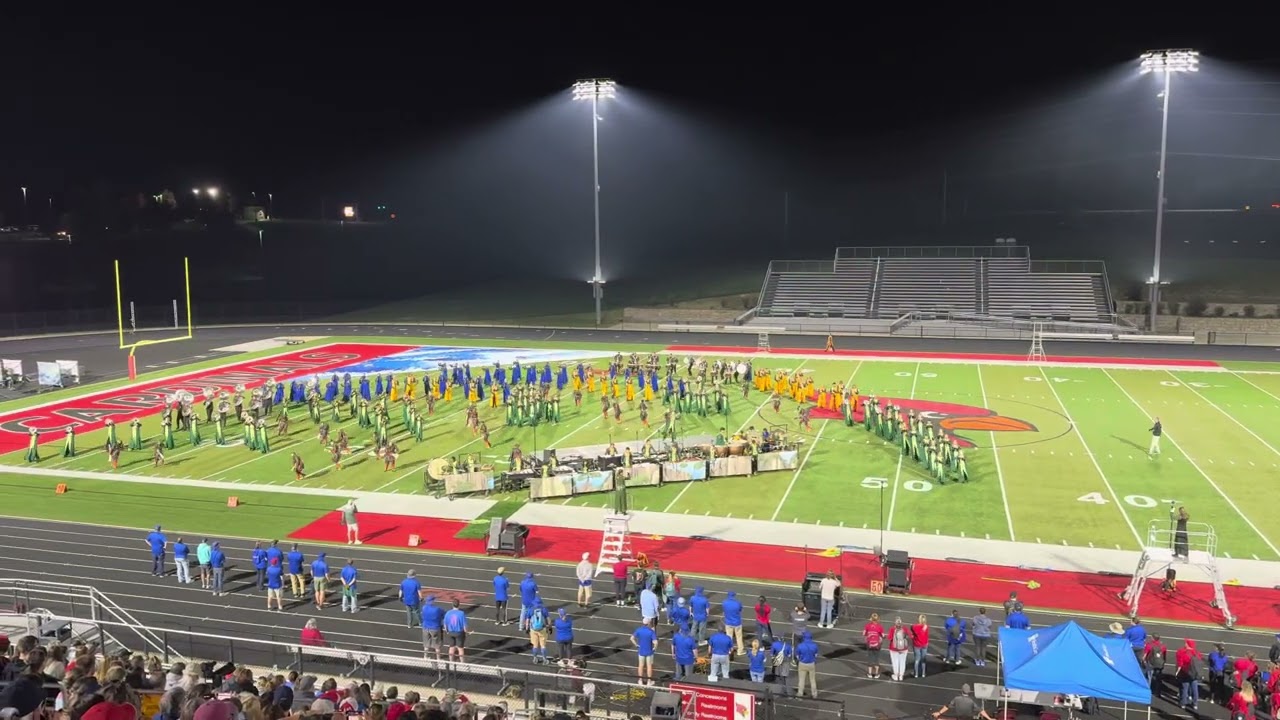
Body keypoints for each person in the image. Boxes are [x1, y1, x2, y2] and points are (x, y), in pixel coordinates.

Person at [932, 683, 996, 720]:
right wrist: (989, 718)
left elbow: (947, 706)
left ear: (961, 690)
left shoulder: (956, 699)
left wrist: (939, 713)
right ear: (969, 691)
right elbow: (981, 711)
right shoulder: (971, 701)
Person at [633, 619, 658, 686]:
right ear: (649, 623)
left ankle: (640, 680)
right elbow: (655, 642)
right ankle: (649, 681)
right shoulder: (651, 631)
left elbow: (632, 638)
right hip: (649, 651)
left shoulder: (639, 630)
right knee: (649, 666)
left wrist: (636, 645)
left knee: (640, 665)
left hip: (641, 651)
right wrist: (654, 648)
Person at [421, 595, 444, 667]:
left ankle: (425, 657)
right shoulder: (437, 609)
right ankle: (438, 658)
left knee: (426, 643)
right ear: (433, 601)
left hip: (426, 627)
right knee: (437, 644)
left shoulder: (424, 608)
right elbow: (443, 615)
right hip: (435, 628)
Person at [443, 600, 468, 665]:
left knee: (451, 647)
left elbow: (445, 624)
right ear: (459, 605)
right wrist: (466, 632)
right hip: (459, 632)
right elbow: (464, 625)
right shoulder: (461, 613)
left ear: (452, 605)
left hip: (450, 632)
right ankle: (462, 662)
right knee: (460, 649)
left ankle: (451, 661)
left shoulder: (448, 613)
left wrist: (447, 631)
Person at [795, 631, 819, 698]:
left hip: (802, 663)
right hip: (811, 664)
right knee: (812, 680)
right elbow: (816, 655)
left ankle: (800, 693)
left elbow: (797, 656)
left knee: (801, 680)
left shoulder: (800, 646)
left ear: (804, 637)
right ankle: (814, 694)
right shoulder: (814, 645)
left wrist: (801, 659)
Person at [528, 599, 549, 665]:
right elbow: (548, 619)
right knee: (543, 645)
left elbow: (527, 619)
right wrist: (549, 627)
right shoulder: (544, 609)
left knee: (535, 645)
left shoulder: (531, 609)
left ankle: (535, 658)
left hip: (533, 629)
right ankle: (544, 659)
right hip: (542, 629)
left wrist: (527, 628)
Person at [863, 612, 884, 679]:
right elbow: (883, 635)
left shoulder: (867, 626)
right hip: (877, 645)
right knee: (876, 659)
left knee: (870, 658)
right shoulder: (879, 626)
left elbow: (864, 633)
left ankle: (869, 673)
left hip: (869, 644)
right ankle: (876, 674)